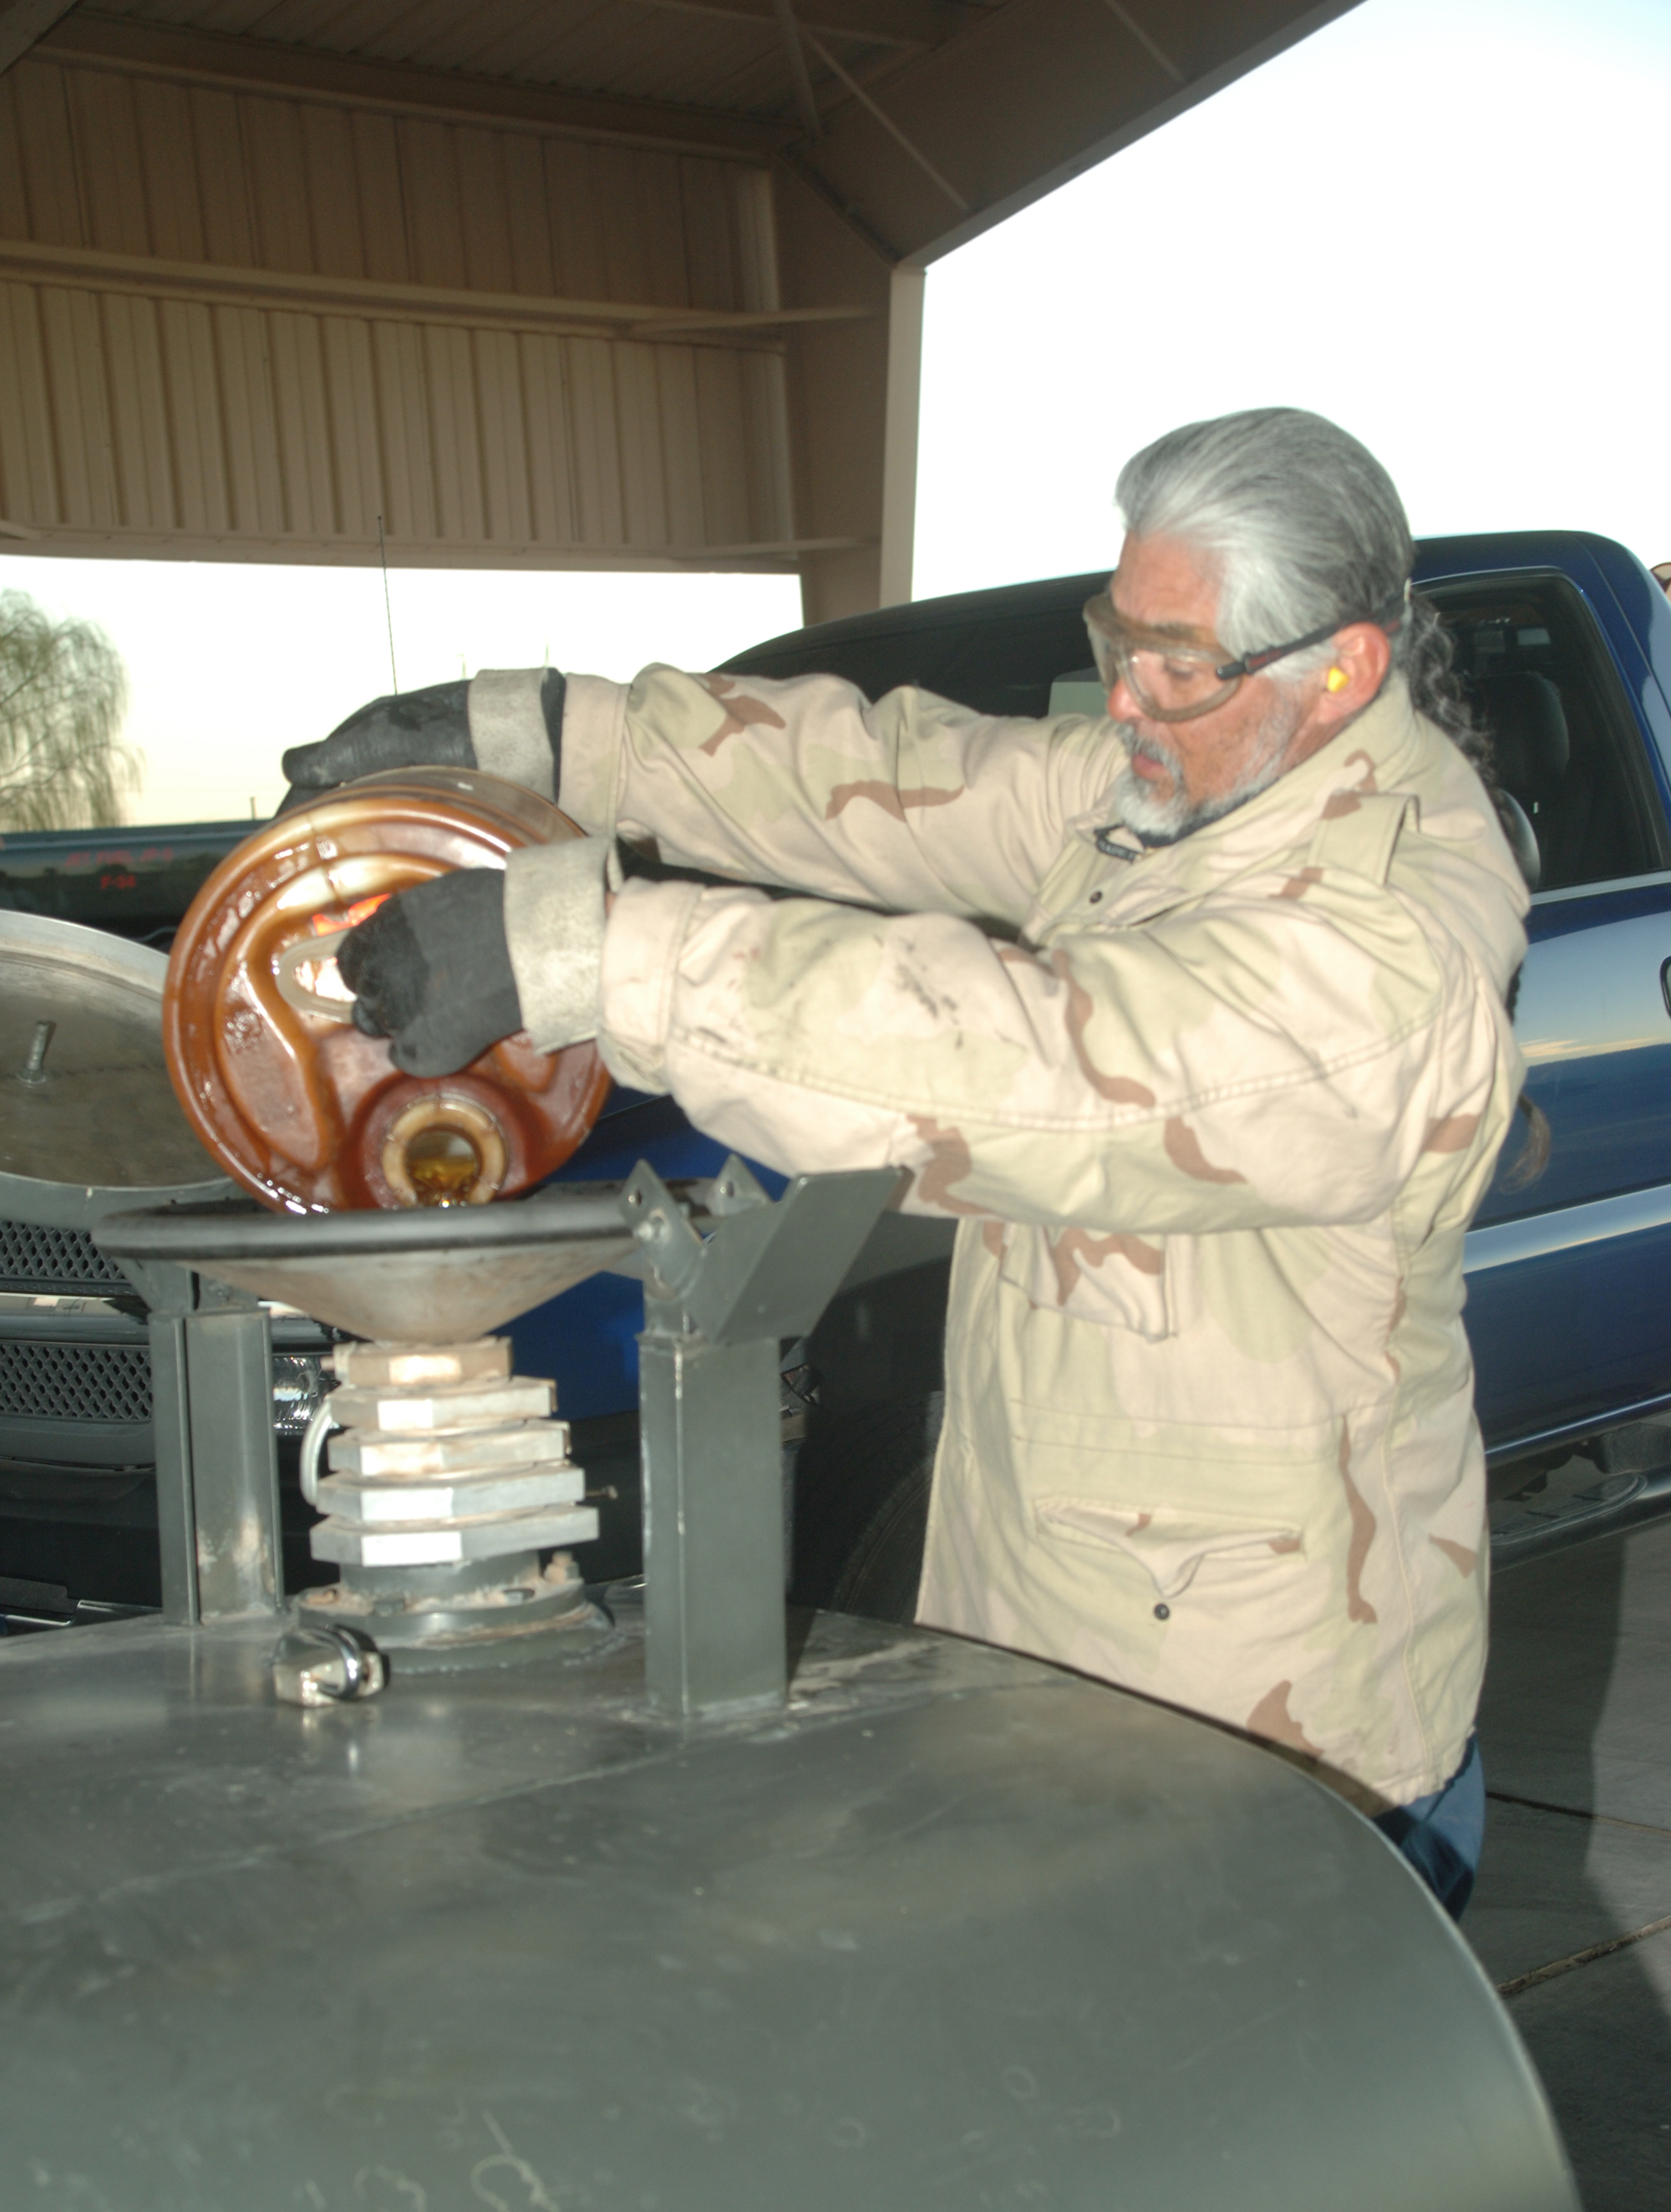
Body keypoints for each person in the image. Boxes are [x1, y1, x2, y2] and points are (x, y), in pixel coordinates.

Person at [284, 409, 1529, 1919]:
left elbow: (1024, 1062)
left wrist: (594, 957)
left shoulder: (1388, 946)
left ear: (1343, 671)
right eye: (1114, 633)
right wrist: (554, 733)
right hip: (1079, 1668)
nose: (1123, 695)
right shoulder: (1190, 794)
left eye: (1176, 662)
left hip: (1271, 1761)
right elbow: (893, 774)